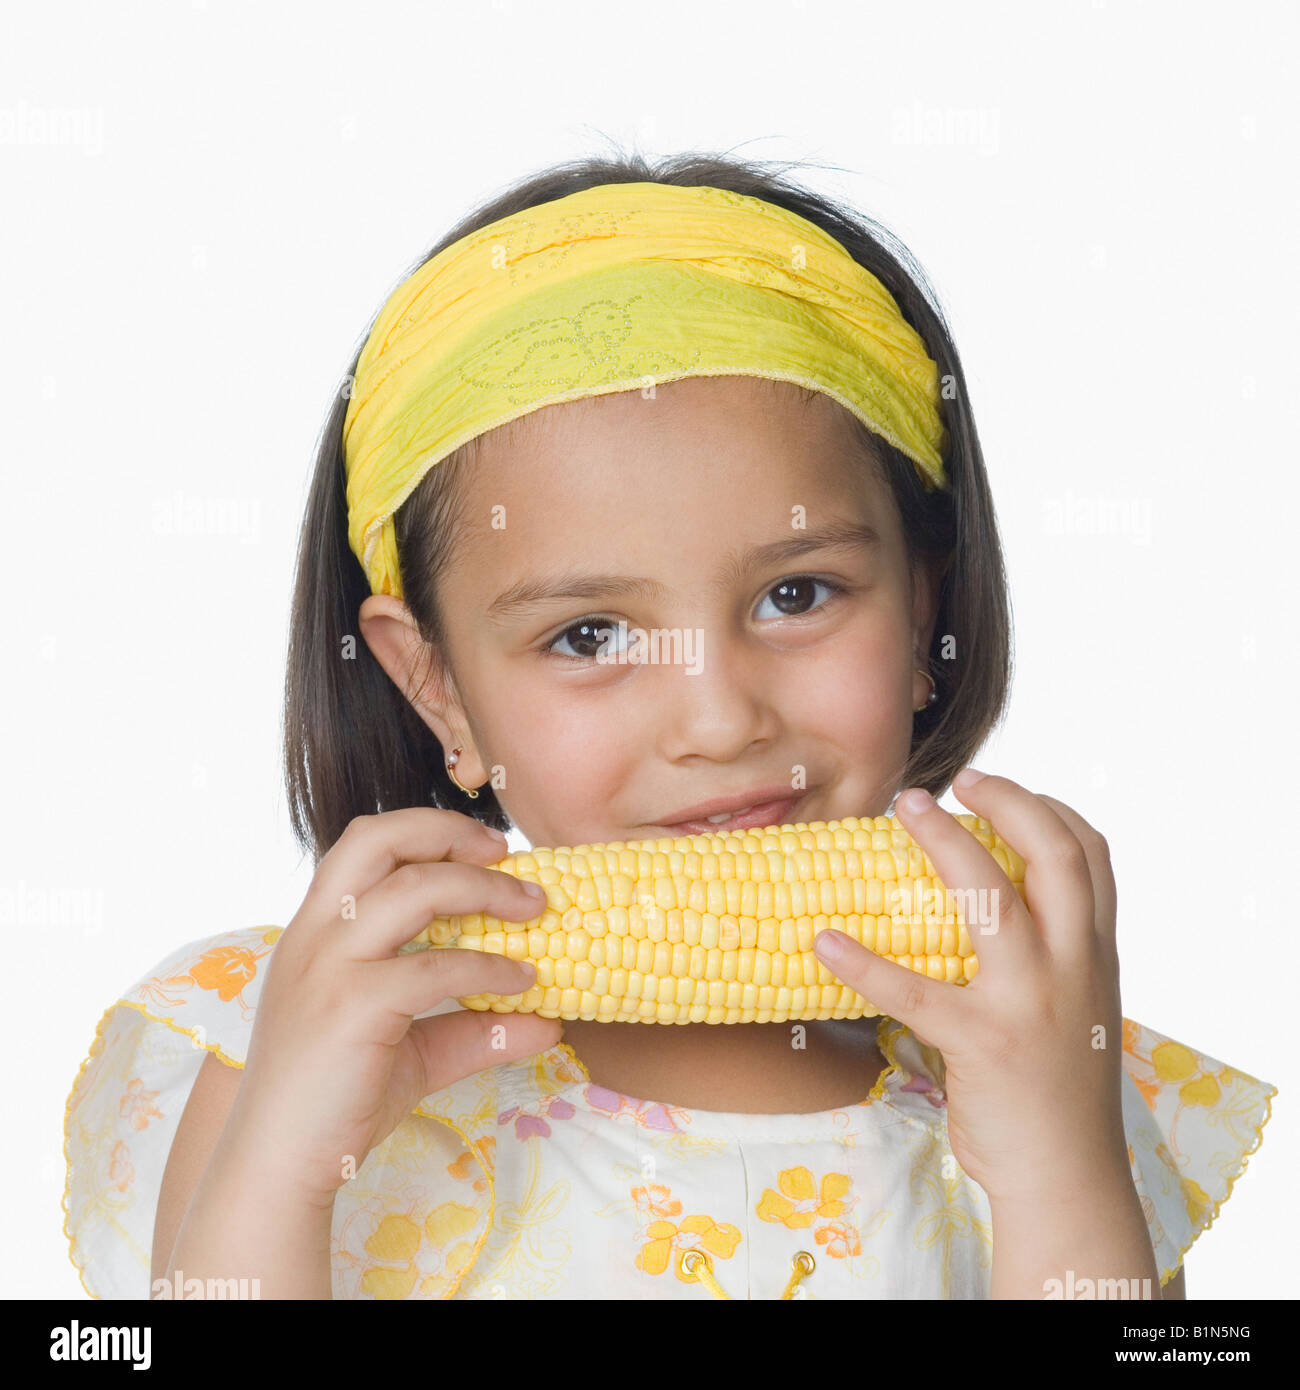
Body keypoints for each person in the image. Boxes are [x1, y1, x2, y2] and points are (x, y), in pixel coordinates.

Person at [63, 151, 1275, 1300]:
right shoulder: (297, 1048)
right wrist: (280, 1164)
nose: (715, 717)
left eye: (795, 595)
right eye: (587, 635)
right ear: (436, 689)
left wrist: (1059, 1170)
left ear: (926, 614)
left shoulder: (1051, 1070)